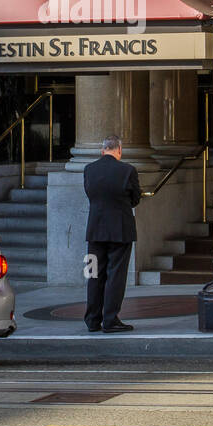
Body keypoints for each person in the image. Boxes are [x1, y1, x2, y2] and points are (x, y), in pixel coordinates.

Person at [82, 134, 142, 334]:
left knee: (94, 274)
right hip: (120, 229)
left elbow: (90, 194)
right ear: (119, 150)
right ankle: (110, 319)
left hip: (95, 230)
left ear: (102, 150)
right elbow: (136, 198)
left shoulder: (89, 170)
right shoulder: (128, 171)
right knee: (116, 274)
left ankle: (92, 319)